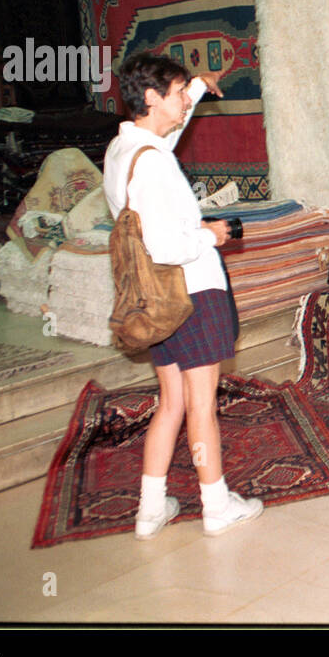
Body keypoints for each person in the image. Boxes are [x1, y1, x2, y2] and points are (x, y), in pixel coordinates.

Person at [103, 52, 263, 539]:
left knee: (171, 401)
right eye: (174, 95)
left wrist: (196, 87)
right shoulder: (154, 166)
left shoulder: (124, 150)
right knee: (200, 404)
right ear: (151, 99)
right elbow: (167, 245)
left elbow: (167, 135)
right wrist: (211, 236)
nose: (181, 105)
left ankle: (150, 509)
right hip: (191, 291)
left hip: (158, 300)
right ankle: (216, 504)